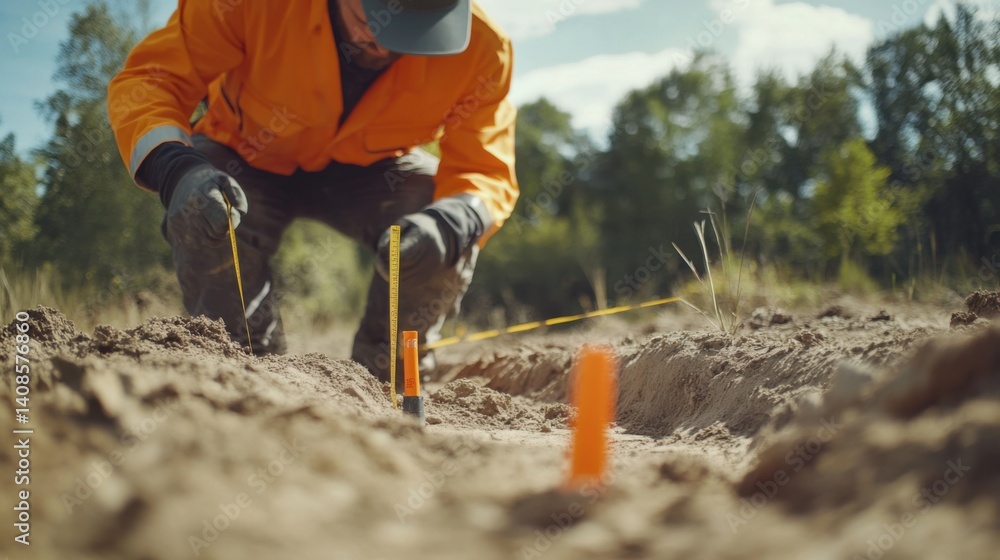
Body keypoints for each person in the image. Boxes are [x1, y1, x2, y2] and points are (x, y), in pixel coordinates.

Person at [107, 0, 518, 381]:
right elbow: (154, 80)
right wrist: (176, 169)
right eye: (372, 21)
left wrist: (451, 223)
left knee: (443, 216)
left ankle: (387, 375)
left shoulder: (482, 49)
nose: (384, 44)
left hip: (373, 172)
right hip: (244, 156)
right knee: (206, 206)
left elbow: (484, 170)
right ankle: (244, 368)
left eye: (412, 30)